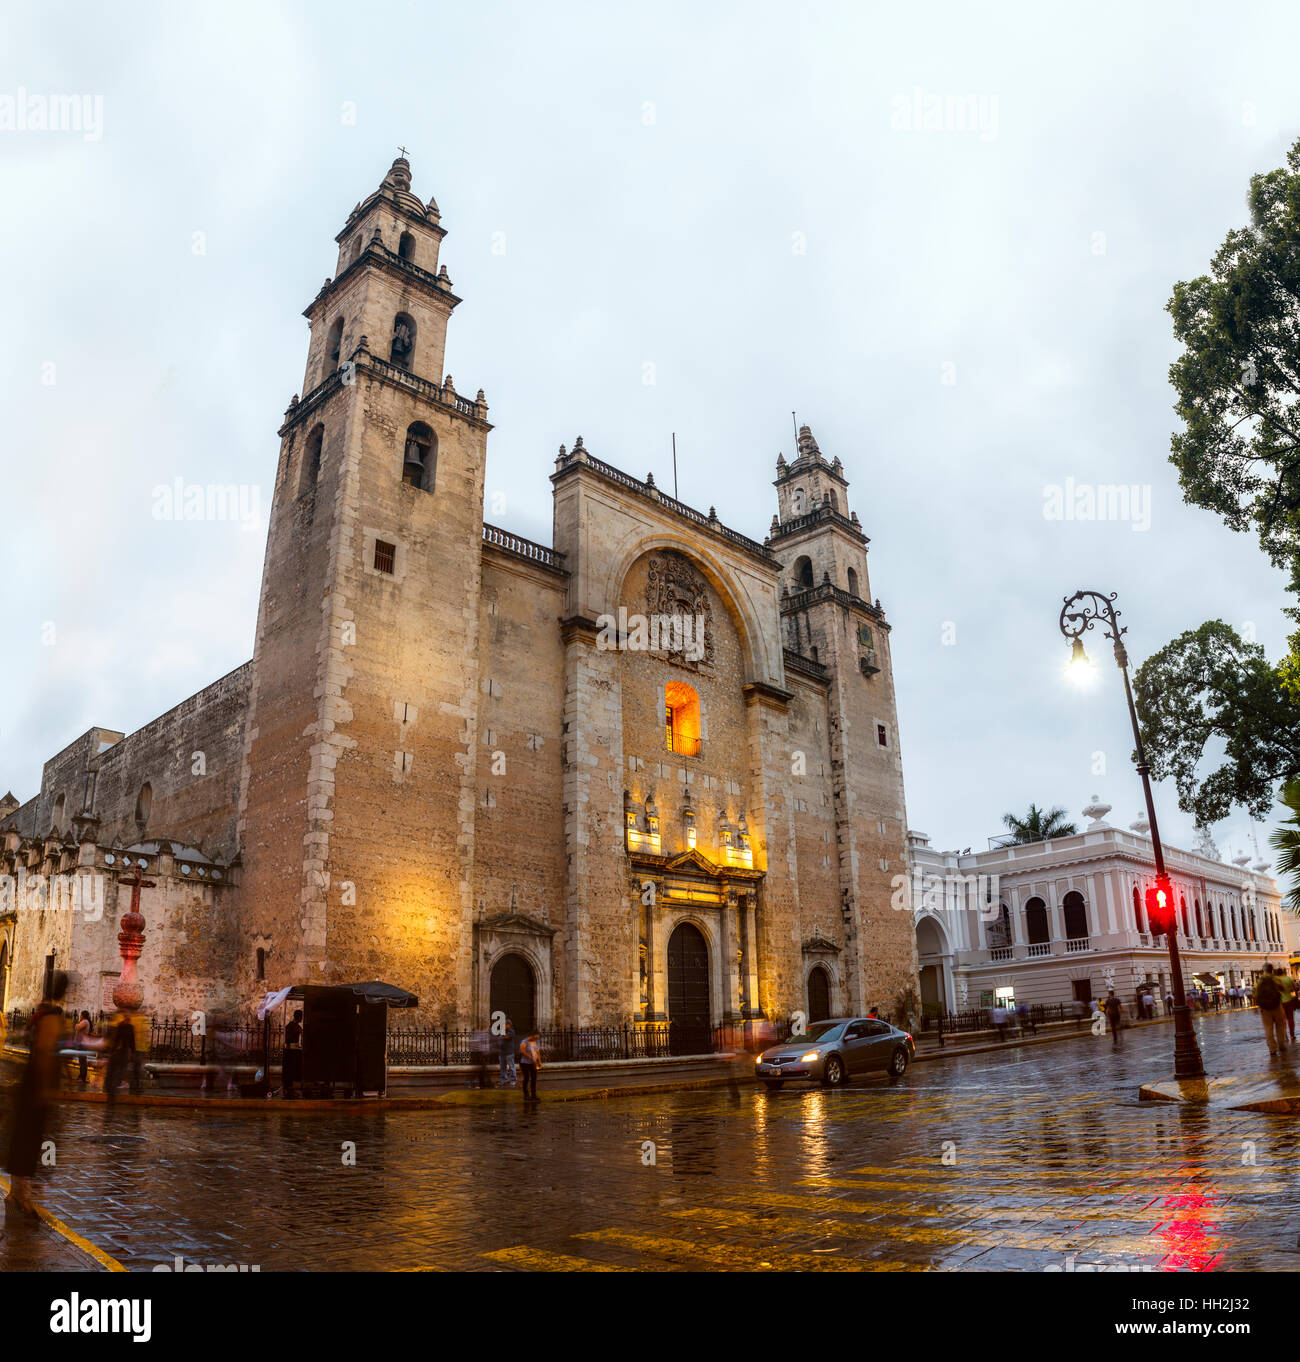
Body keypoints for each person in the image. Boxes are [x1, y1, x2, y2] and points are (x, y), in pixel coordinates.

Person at [5, 971, 69, 1217]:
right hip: (36, 1086)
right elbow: (44, 1051)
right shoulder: (52, 1017)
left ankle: (15, 1191)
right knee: (33, 1143)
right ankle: (24, 1197)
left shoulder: (38, 1012)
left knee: (21, 1139)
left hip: (26, 1082)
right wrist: (45, 1090)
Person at [1255, 965, 1287, 1056]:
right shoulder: (1276, 979)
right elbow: (1283, 988)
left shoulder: (1259, 981)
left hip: (1265, 1008)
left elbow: (1256, 994)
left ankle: (1272, 1049)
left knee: (1268, 1028)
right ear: (1272, 970)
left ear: (1264, 970)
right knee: (1280, 1025)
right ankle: (1281, 1044)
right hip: (1276, 1005)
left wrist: (1259, 1006)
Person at [282, 1008, 304, 1098]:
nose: (302, 1019)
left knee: (292, 1071)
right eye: (301, 1017)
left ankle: (290, 1089)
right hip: (290, 1052)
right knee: (290, 1071)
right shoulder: (292, 1026)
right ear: (298, 1017)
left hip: (293, 1051)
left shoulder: (297, 1026)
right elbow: (288, 1041)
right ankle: (288, 1090)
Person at [519, 1031, 541, 1101]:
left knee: (534, 1079)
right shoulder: (524, 1041)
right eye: (536, 1037)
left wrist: (539, 1061)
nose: (537, 1038)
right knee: (526, 1078)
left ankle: (533, 1095)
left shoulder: (534, 1042)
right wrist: (530, 1057)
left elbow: (537, 1052)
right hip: (525, 1063)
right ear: (532, 1035)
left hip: (533, 1063)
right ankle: (526, 1095)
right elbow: (522, 1051)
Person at [73, 1010, 92, 1085]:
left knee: (82, 1061)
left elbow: (77, 1028)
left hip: (82, 1044)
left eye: (81, 1015)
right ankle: (81, 1076)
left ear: (83, 1015)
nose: (80, 1016)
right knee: (82, 1061)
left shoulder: (85, 1022)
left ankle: (82, 1078)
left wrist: (76, 1024)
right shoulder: (85, 1022)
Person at [1278, 969, 1297, 1043]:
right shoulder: (1289, 978)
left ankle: (1285, 1035)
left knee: (1282, 1020)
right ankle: (1292, 1035)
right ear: (1283, 972)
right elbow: (1294, 989)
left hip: (1280, 1003)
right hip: (1289, 1000)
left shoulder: (1276, 980)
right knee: (1290, 1018)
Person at [498, 1016, 516, 1087]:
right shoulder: (503, 1031)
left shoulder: (511, 1031)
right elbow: (499, 1040)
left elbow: (506, 1037)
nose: (504, 1026)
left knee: (511, 1067)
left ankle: (513, 1080)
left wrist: (501, 1037)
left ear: (509, 1025)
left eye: (505, 1024)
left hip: (509, 1053)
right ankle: (503, 1080)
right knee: (503, 1067)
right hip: (502, 1053)